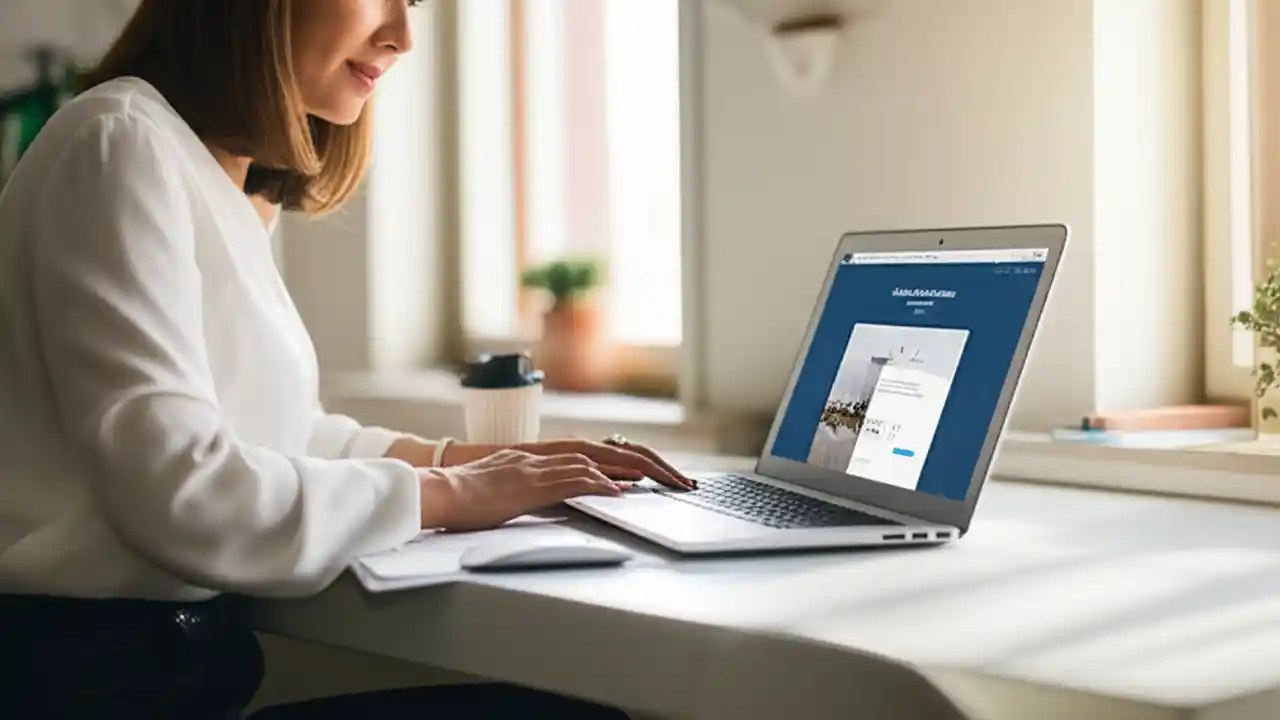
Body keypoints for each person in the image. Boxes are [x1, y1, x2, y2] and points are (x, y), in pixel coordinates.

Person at [0, 1, 694, 717]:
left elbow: (279, 436)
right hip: (99, 684)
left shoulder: (209, 175)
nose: (403, 36)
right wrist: (447, 496)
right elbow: (186, 492)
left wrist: (473, 462)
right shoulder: (117, 141)